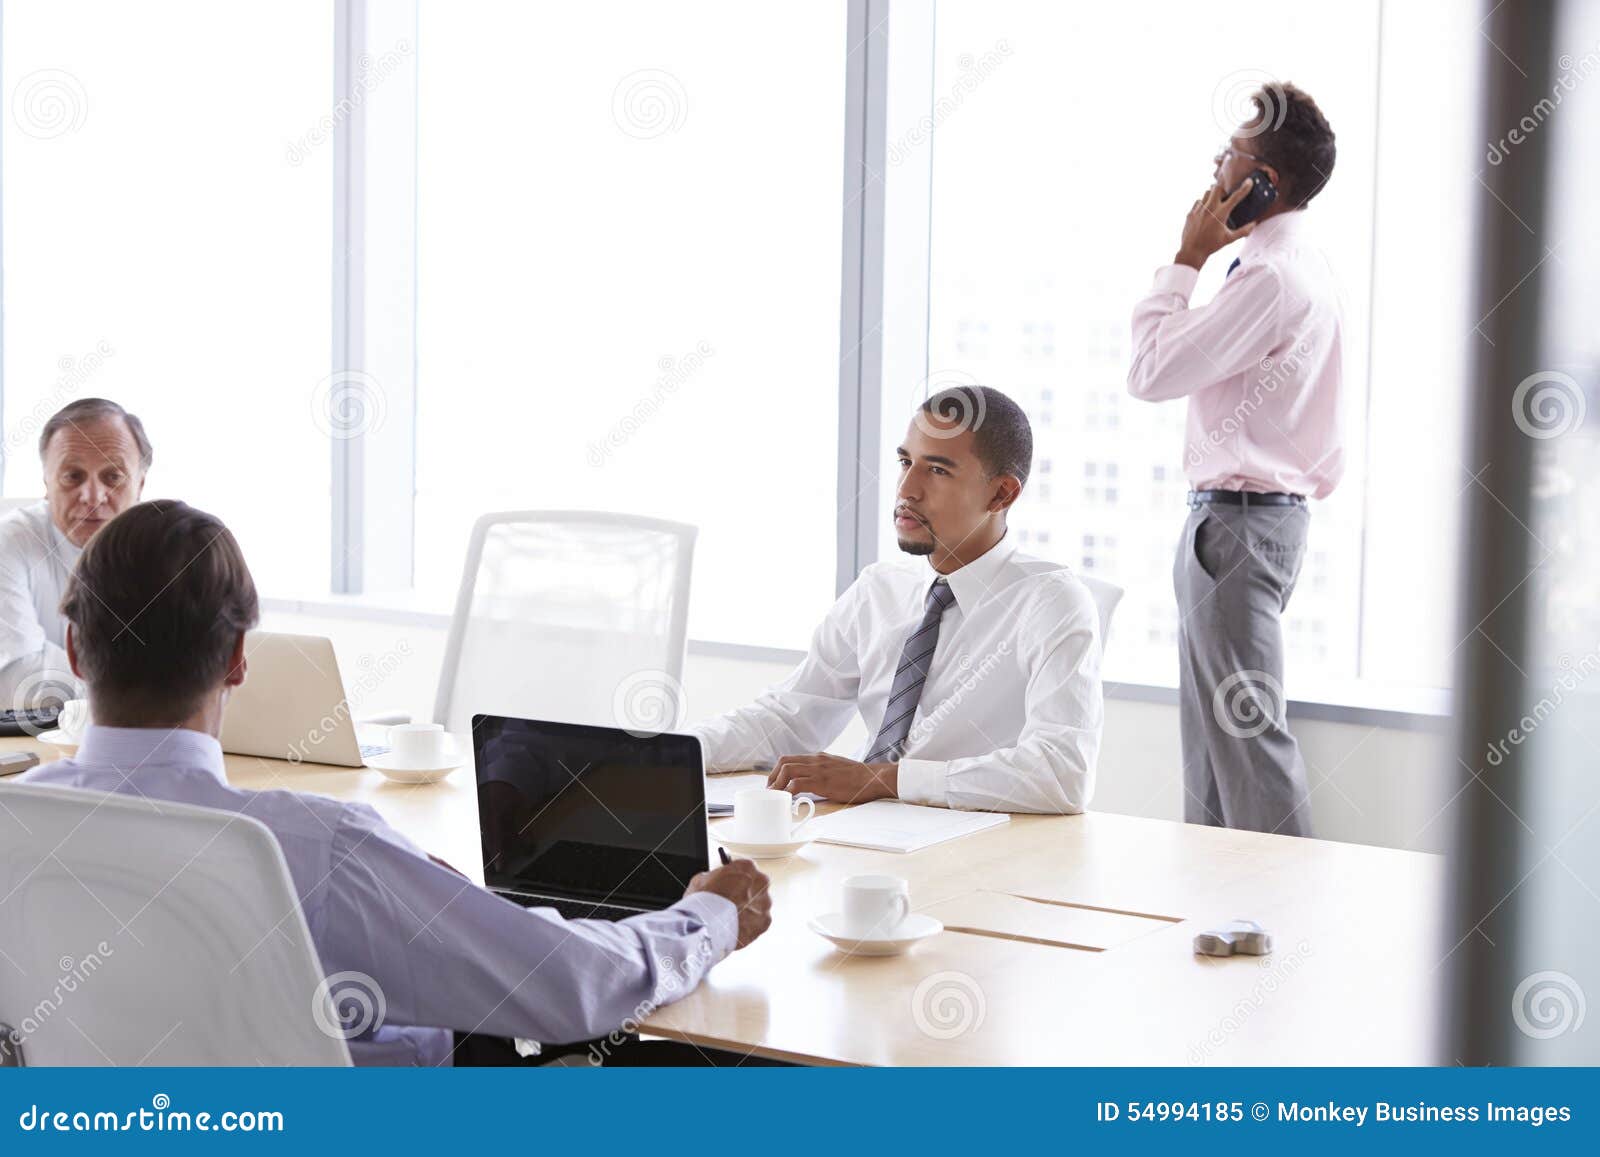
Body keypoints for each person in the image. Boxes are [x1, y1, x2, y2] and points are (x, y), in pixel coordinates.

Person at [20, 500, 772, 1065]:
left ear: (78, 653)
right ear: (239, 659)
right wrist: (706, 917)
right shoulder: (316, 848)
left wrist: (417, 897)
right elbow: (572, 988)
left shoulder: (16, 824)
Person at [691, 386, 1103, 814]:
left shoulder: (1052, 601)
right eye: (906, 462)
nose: (907, 489)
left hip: (981, 847)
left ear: (1002, 494)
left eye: (938, 471)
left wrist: (886, 780)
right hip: (866, 833)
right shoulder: (880, 589)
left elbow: (1062, 773)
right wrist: (665, 754)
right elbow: (789, 719)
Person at [1125, 81, 1342, 837]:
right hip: (1246, 524)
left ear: (1263, 182)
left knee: (1247, 746)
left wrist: (1185, 259)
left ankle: (1283, 931)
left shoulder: (1271, 278)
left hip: (1239, 527)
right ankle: (1222, 921)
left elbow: (1149, 373)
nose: (1215, 164)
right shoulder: (1286, 265)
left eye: (1232, 152)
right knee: (1217, 753)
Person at [0, 398, 151, 706]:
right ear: (46, 483)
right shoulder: (11, 541)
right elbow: (15, 680)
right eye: (73, 476)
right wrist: (137, 692)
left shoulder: (173, 552)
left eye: (113, 477)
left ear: (141, 484)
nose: (92, 497)